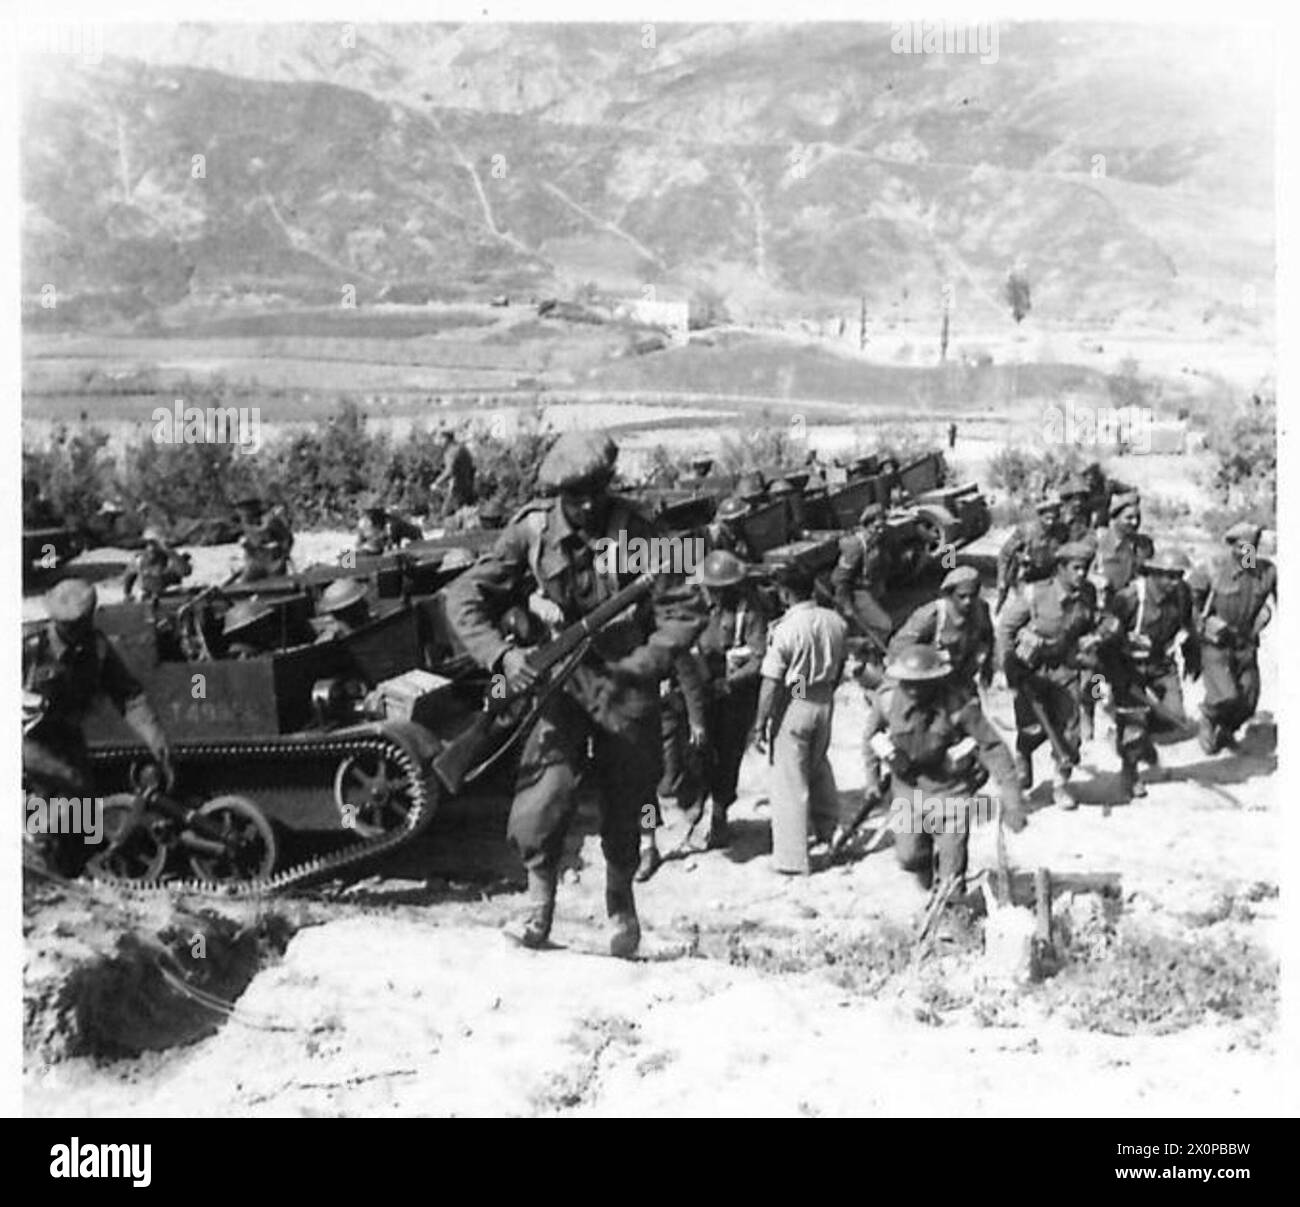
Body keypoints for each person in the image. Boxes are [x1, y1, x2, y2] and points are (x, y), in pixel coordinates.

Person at [442, 429, 698, 957]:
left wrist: (641, 665)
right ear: (557, 492)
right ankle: (538, 905)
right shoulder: (531, 531)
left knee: (630, 799)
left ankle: (621, 901)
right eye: (573, 494)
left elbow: (684, 611)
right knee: (544, 792)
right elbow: (464, 596)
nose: (585, 504)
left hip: (624, 687)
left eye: (595, 491)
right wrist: (504, 656)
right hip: (555, 684)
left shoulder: (642, 531)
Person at [23, 579, 173, 871]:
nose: (76, 632)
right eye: (69, 626)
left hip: (67, 736)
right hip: (28, 738)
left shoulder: (97, 648)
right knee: (69, 786)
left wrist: (155, 737)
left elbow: (128, 695)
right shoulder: (29, 647)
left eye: (81, 624)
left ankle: (71, 868)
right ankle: (35, 849)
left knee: (85, 812)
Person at [860, 644, 1026, 892]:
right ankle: (926, 871)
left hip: (951, 790)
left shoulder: (959, 707)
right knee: (909, 856)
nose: (914, 690)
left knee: (952, 867)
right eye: (908, 683)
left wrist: (1013, 802)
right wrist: (872, 780)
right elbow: (871, 738)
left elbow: (993, 748)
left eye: (921, 683)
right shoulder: (886, 701)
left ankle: (951, 909)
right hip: (908, 790)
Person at [753, 561, 849, 875]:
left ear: (784, 593)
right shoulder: (835, 621)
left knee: (789, 781)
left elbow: (771, 681)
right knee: (818, 765)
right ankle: (829, 833)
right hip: (824, 699)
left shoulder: (785, 629)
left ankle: (792, 858)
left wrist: (760, 722)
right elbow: (841, 664)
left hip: (796, 699)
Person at [996, 541, 1104, 809]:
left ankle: (1060, 784)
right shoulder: (1035, 594)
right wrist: (1008, 667)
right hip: (1032, 671)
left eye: (1086, 568)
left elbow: (1092, 624)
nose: (1081, 574)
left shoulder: (1088, 594)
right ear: (1061, 569)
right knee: (1031, 728)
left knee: (1069, 731)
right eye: (1076, 568)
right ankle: (1023, 759)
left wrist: (1095, 637)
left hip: (1066, 669)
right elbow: (1005, 629)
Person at [1098, 548, 1199, 800]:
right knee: (1134, 723)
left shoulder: (1182, 594)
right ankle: (1130, 773)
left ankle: (1134, 739)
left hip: (1161, 664)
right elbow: (1105, 642)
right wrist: (1114, 675)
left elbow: (1187, 627)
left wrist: (1192, 656)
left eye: (1178, 575)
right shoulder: (1130, 598)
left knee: (1174, 717)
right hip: (1128, 667)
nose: (1174, 581)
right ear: (1153, 574)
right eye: (1168, 576)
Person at [690, 549, 769, 849]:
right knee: (695, 750)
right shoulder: (695, 603)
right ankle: (695, 802)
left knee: (729, 753)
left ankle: (720, 812)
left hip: (734, 695)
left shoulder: (749, 609)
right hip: (697, 689)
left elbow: (759, 656)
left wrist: (730, 682)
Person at [1188, 521, 1277, 755]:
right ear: (1232, 546)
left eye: (1253, 547)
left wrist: (1266, 613)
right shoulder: (1213, 568)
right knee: (1225, 695)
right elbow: (1186, 604)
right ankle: (1208, 719)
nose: (1247, 552)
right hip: (1216, 643)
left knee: (1248, 700)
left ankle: (1226, 730)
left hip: (1246, 642)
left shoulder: (1266, 572)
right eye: (1242, 547)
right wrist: (1205, 623)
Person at [888, 565, 994, 701]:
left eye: (973, 596)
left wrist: (987, 668)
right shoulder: (931, 616)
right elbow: (898, 649)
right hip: (929, 683)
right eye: (962, 596)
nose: (968, 602)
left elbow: (988, 638)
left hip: (961, 681)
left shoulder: (981, 610)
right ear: (950, 594)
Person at [831, 502, 892, 652]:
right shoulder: (857, 546)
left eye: (883, 526)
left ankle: (863, 653)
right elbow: (840, 579)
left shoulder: (879, 540)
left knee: (861, 628)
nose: (880, 530)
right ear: (867, 525)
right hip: (856, 593)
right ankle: (855, 648)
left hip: (872, 589)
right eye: (877, 527)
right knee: (885, 626)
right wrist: (847, 605)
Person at [995, 495, 1066, 613]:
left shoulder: (1060, 531)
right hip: (1027, 577)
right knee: (1024, 608)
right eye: (1047, 518)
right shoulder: (1026, 530)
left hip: (1048, 577)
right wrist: (1001, 579)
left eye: (1053, 518)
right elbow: (1004, 554)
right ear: (1040, 516)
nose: (1050, 522)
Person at [235, 494, 294, 582]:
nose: (242, 514)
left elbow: (287, 539)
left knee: (277, 587)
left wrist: (283, 554)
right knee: (244, 585)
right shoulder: (245, 524)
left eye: (245, 509)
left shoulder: (271, 521)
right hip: (254, 563)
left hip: (274, 563)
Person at [123, 527, 192, 602]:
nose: (151, 548)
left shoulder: (171, 558)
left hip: (171, 596)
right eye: (148, 544)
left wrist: (169, 552)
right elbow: (129, 577)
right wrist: (127, 594)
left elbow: (185, 571)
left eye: (154, 544)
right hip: (147, 598)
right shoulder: (139, 559)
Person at [355, 494, 423, 556]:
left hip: (377, 553)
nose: (370, 515)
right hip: (369, 552)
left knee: (350, 560)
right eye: (369, 512)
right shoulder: (363, 523)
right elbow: (359, 542)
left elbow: (388, 542)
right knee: (348, 558)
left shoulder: (389, 522)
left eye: (372, 512)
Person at [433, 428, 477, 519]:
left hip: (457, 488)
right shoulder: (461, 448)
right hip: (468, 485)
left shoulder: (452, 451)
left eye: (440, 439)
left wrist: (437, 482)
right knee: (463, 512)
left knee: (446, 513)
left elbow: (450, 470)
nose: (438, 442)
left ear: (446, 439)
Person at [706, 496, 758, 561]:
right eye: (736, 520)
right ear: (727, 522)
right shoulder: (723, 537)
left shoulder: (742, 530)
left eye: (741, 518)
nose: (740, 522)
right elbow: (731, 557)